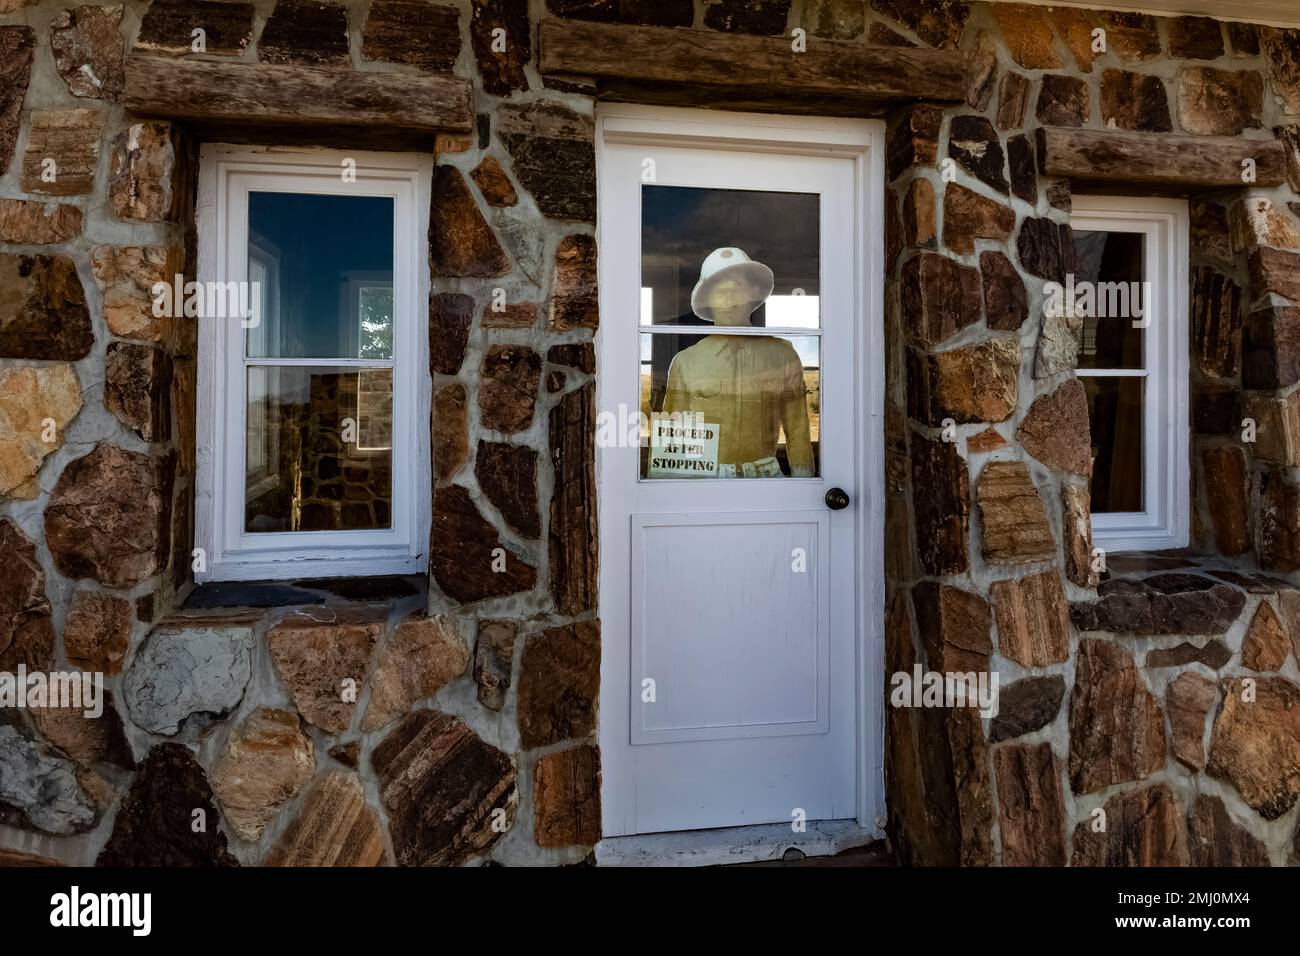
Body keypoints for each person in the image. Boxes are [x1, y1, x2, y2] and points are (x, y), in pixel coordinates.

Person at [661, 247, 815, 478]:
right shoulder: (686, 361)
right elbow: (673, 436)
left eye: (738, 289)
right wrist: (668, 492)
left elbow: (798, 430)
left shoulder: (782, 356)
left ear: (753, 292)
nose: (730, 300)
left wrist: (805, 488)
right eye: (720, 291)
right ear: (707, 299)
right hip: (705, 478)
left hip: (765, 478)